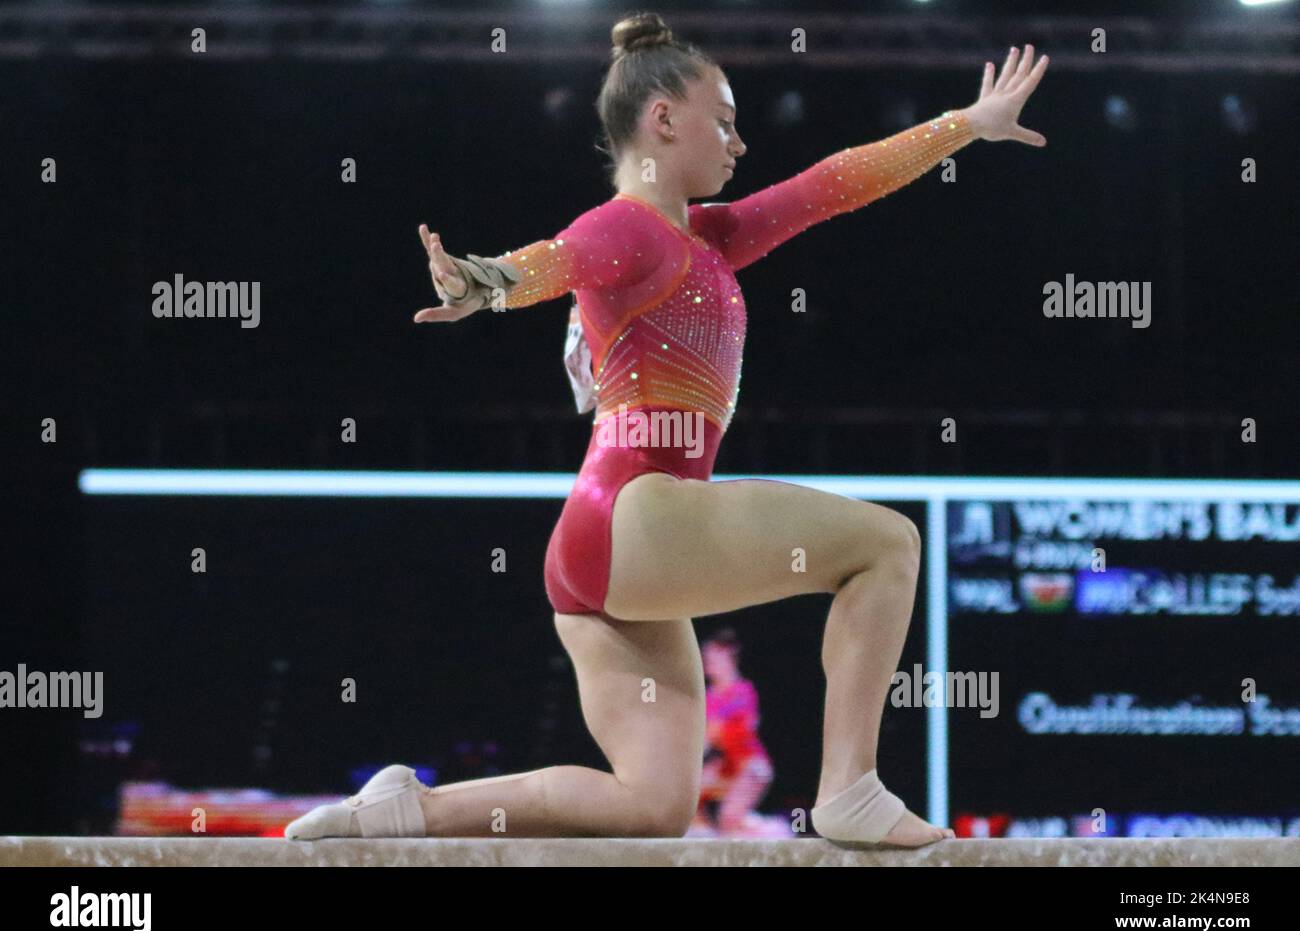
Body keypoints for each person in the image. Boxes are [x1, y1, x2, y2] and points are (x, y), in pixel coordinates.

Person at [286, 11, 1047, 847]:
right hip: (637, 516)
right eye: (723, 121)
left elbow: (834, 183)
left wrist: (965, 127)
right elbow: (561, 255)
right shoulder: (630, 226)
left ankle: (411, 806)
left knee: (653, 807)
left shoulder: (709, 237)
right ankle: (849, 788)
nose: (740, 142)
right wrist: (486, 281)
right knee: (888, 545)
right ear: (662, 120)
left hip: (599, 555)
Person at [694, 629, 774, 836]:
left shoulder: (743, 691)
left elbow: (728, 732)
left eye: (714, 656)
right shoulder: (708, 697)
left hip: (750, 767)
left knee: (729, 819)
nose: (708, 661)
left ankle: (775, 832)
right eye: (706, 657)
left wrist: (708, 735)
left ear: (730, 657)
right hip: (724, 767)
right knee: (685, 802)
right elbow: (705, 738)